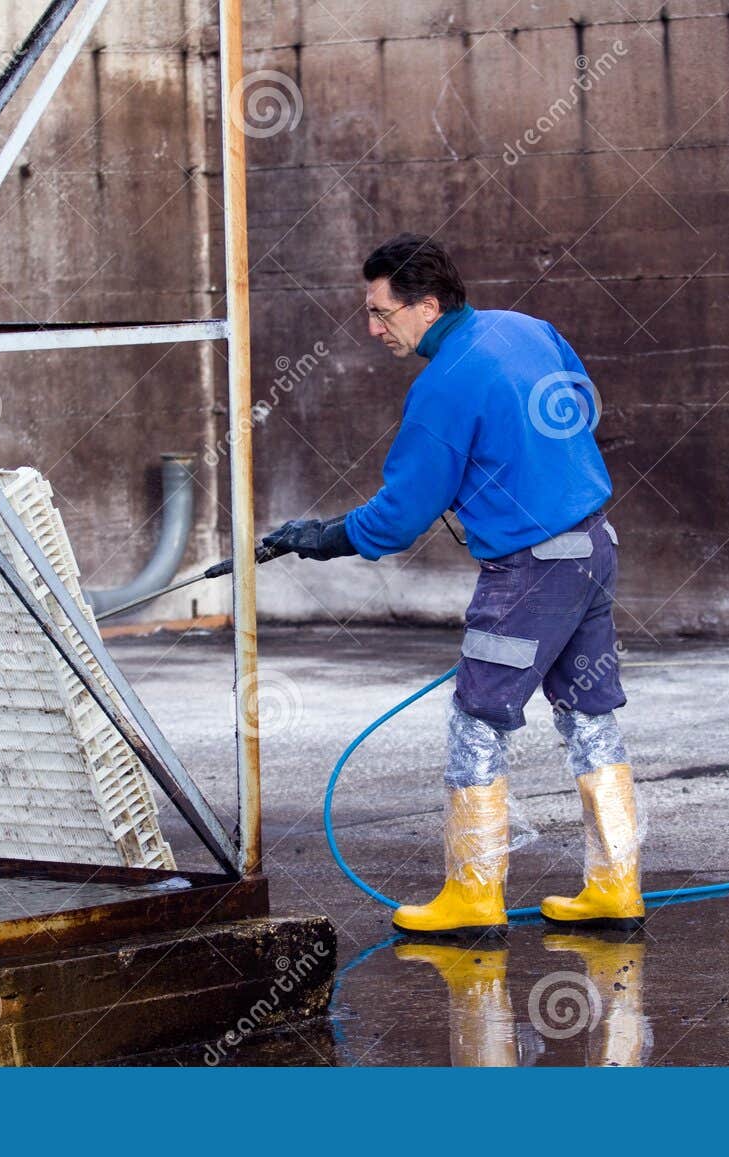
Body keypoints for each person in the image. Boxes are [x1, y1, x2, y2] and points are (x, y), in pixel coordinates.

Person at [262, 233, 643, 935]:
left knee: (477, 720)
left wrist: (319, 538)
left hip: (530, 569)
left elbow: (399, 517)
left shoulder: (442, 387)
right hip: (592, 546)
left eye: (382, 312)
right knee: (588, 715)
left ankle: (473, 893)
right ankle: (615, 885)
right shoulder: (529, 330)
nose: (373, 328)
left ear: (427, 304)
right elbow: (579, 407)